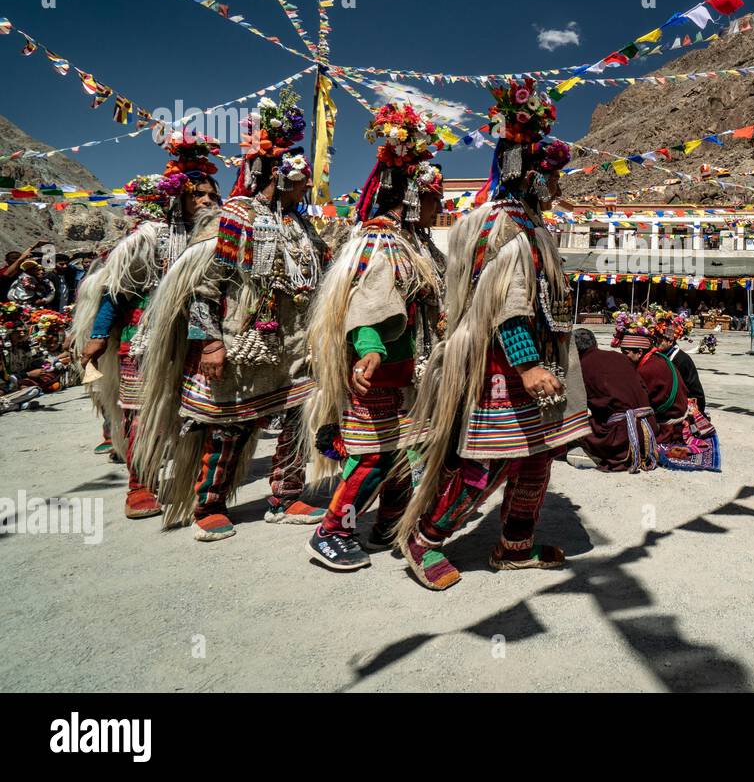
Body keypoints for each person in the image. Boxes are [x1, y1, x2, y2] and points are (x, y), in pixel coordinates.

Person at [395, 78, 590, 592]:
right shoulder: (503, 227)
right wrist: (526, 365)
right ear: (523, 174)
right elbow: (506, 305)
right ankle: (425, 537)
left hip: (529, 364)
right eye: (550, 178)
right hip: (501, 365)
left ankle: (515, 546)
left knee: (537, 454)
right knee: (488, 459)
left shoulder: (526, 224)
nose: (558, 188)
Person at [133, 89, 328, 541]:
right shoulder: (235, 217)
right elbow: (203, 289)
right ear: (278, 174)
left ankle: (286, 494)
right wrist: (212, 341)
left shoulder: (301, 224)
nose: (306, 187)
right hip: (242, 342)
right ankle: (210, 502)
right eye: (300, 177)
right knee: (230, 425)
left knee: (297, 418)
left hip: (294, 344)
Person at [301, 106, 447, 571]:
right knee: (372, 456)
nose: (439, 208)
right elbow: (368, 303)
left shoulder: (418, 244)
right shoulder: (380, 241)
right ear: (409, 196)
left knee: (410, 449)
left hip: (412, 370)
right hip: (382, 370)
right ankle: (332, 530)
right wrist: (367, 352)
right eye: (433, 198)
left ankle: (390, 521)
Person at [69, 133, 222, 518]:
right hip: (145, 336)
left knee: (198, 411)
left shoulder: (221, 240)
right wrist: (100, 336)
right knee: (142, 413)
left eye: (210, 195)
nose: (205, 201)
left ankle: (196, 481)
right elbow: (117, 290)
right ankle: (140, 486)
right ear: (177, 199)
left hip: (197, 338)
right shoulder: (149, 238)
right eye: (196, 195)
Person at [614, 311, 720, 471]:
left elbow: (637, 403)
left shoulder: (659, 365)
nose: (659, 342)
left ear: (640, 352)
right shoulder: (657, 358)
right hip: (679, 410)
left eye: (626, 353)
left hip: (675, 420)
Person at [573, 327, 658, 471]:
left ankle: (597, 454)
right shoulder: (619, 357)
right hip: (649, 430)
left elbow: (579, 405)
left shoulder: (582, 366)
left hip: (622, 439)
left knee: (576, 427)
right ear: (595, 343)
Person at [656, 307, 706, 412]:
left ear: (670, 342)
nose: (657, 342)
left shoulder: (682, 360)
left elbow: (695, 392)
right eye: (657, 338)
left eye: (661, 340)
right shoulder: (659, 356)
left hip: (682, 407)